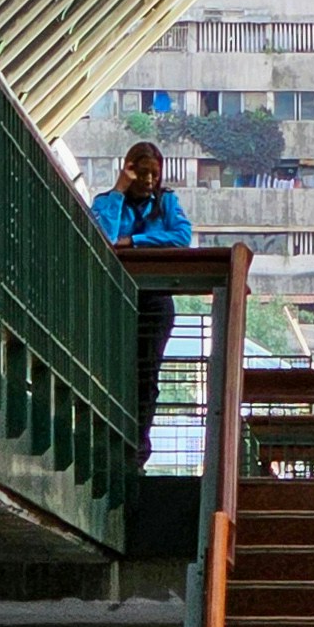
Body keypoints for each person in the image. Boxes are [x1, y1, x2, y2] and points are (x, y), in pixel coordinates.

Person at [93, 134, 192, 461]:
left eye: (155, 173)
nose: (149, 180)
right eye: (143, 172)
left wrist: (133, 241)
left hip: (154, 299)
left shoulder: (166, 203)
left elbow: (181, 237)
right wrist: (120, 190)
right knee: (111, 369)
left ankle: (138, 450)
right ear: (130, 169)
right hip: (115, 296)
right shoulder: (107, 200)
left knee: (147, 374)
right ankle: (108, 443)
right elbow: (102, 235)